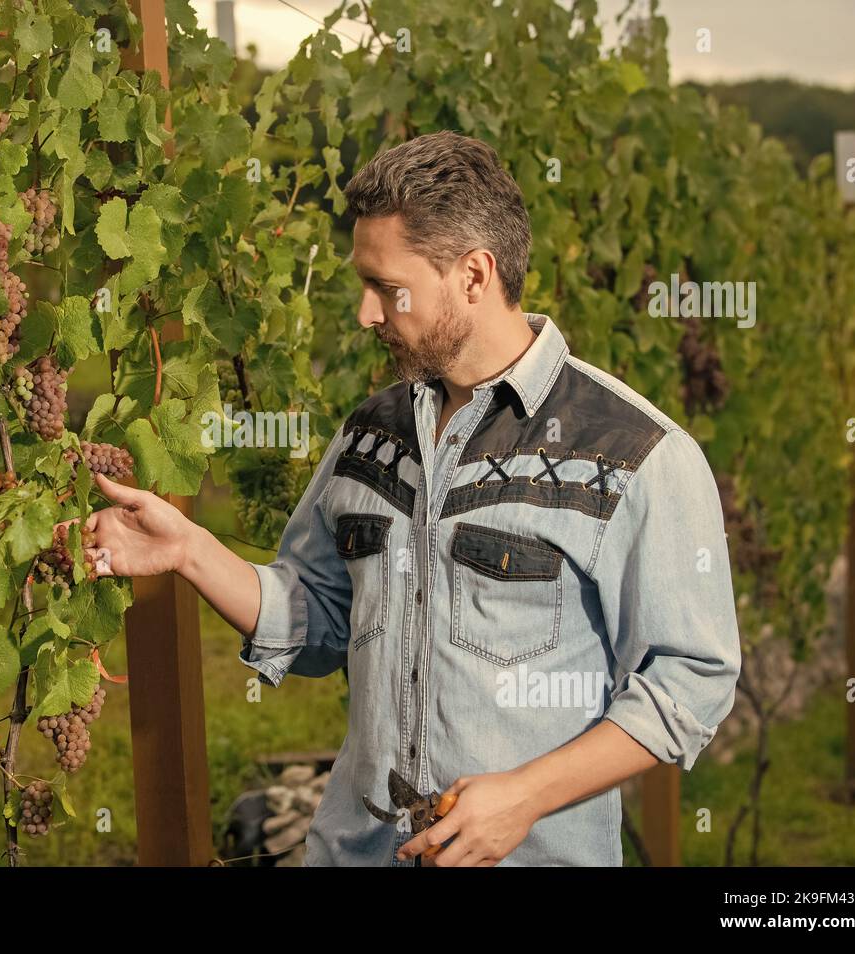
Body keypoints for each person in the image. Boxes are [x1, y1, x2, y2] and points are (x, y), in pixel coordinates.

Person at [82, 130, 742, 867]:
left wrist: (526, 794)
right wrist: (190, 550)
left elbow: (691, 678)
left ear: (473, 275)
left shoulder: (634, 453)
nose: (367, 313)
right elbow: (322, 619)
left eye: (386, 287)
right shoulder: (371, 432)